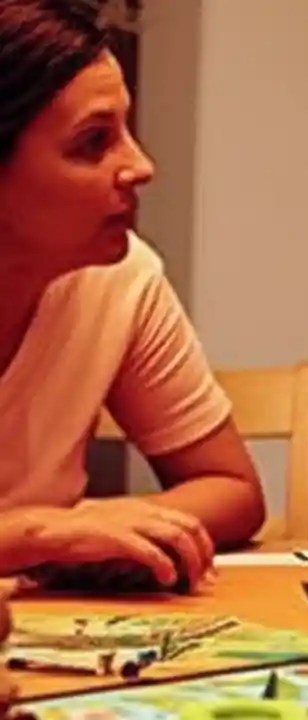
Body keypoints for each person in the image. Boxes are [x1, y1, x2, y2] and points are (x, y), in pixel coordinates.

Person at [0, 0, 265, 591]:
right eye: (94, 142)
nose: (142, 166)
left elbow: (232, 488)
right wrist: (36, 535)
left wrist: (111, 527)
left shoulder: (119, 277)